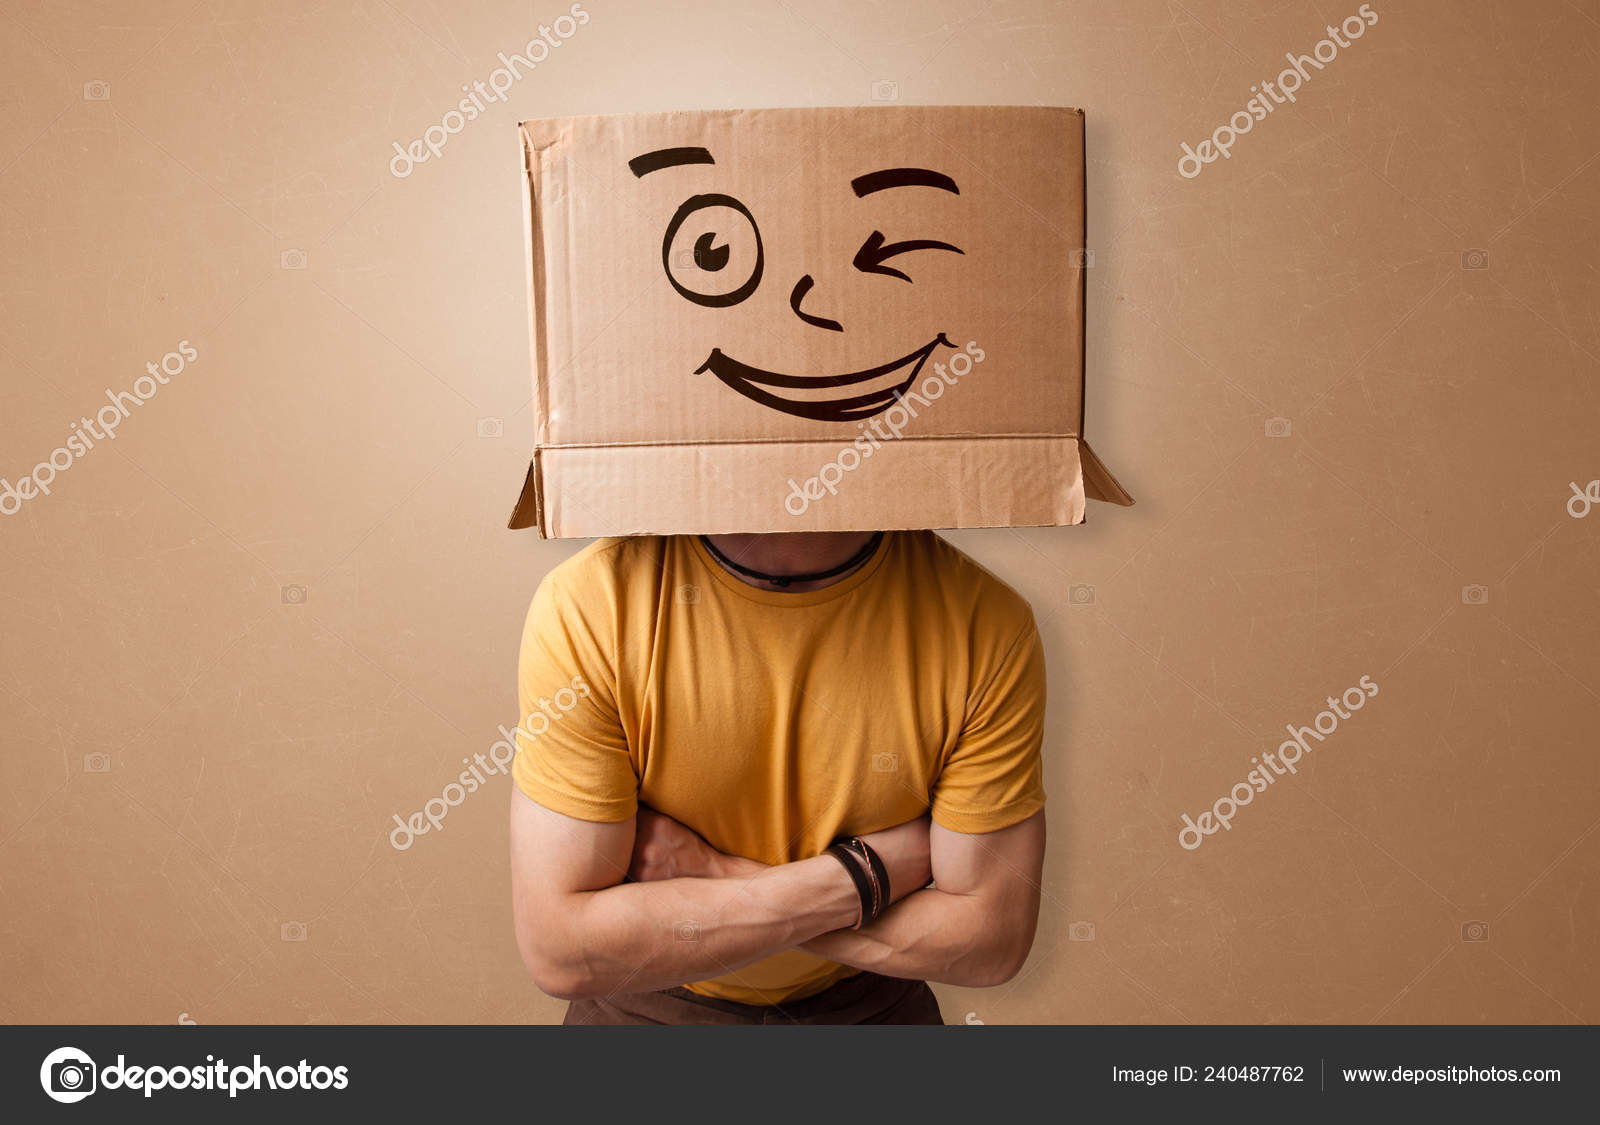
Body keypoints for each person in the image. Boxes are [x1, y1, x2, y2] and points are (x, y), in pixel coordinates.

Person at [508, 529, 1047, 1025]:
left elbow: (990, 943)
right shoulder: (591, 604)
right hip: (645, 1003)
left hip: (872, 1006)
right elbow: (563, 951)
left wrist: (714, 871)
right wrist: (861, 879)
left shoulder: (986, 622)